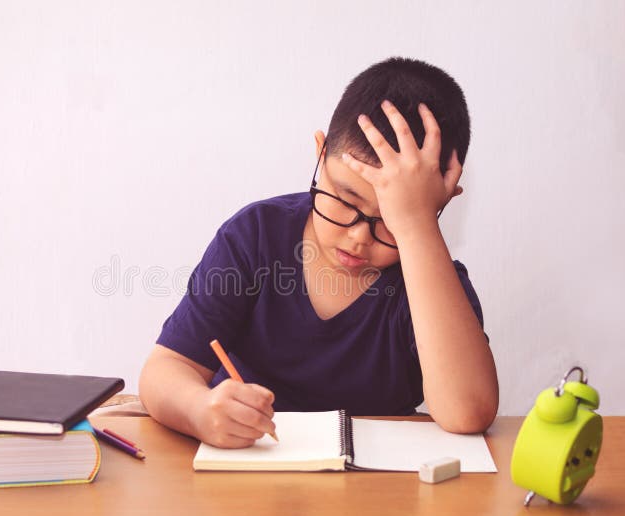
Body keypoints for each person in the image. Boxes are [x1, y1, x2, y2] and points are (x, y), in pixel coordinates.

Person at [139, 57, 499, 448]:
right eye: (346, 198)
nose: (360, 236)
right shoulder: (255, 237)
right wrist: (198, 409)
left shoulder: (433, 283)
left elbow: (468, 412)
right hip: (249, 475)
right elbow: (164, 370)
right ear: (320, 153)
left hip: (375, 493)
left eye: (393, 219)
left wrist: (416, 228)